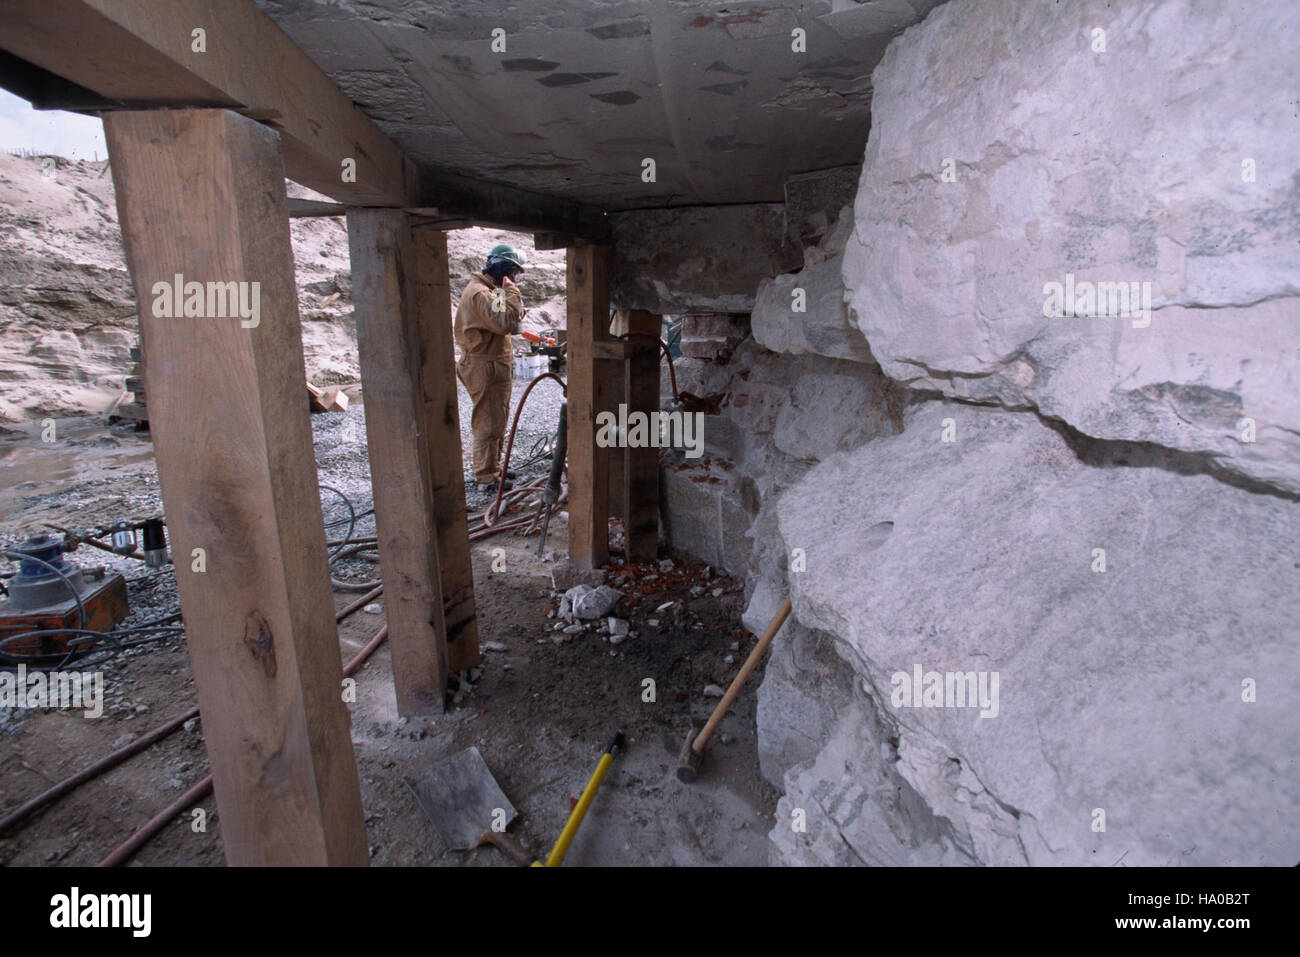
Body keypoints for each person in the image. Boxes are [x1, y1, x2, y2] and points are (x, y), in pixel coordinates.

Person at [455, 243, 525, 491]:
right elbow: (504, 321)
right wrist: (513, 293)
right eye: (514, 272)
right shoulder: (479, 294)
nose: (514, 278)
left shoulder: (488, 290)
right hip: (483, 365)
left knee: (498, 417)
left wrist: (508, 296)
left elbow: (505, 317)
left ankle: (495, 469)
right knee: (487, 420)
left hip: (493, 363)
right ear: (503, 268)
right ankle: (485, 476)